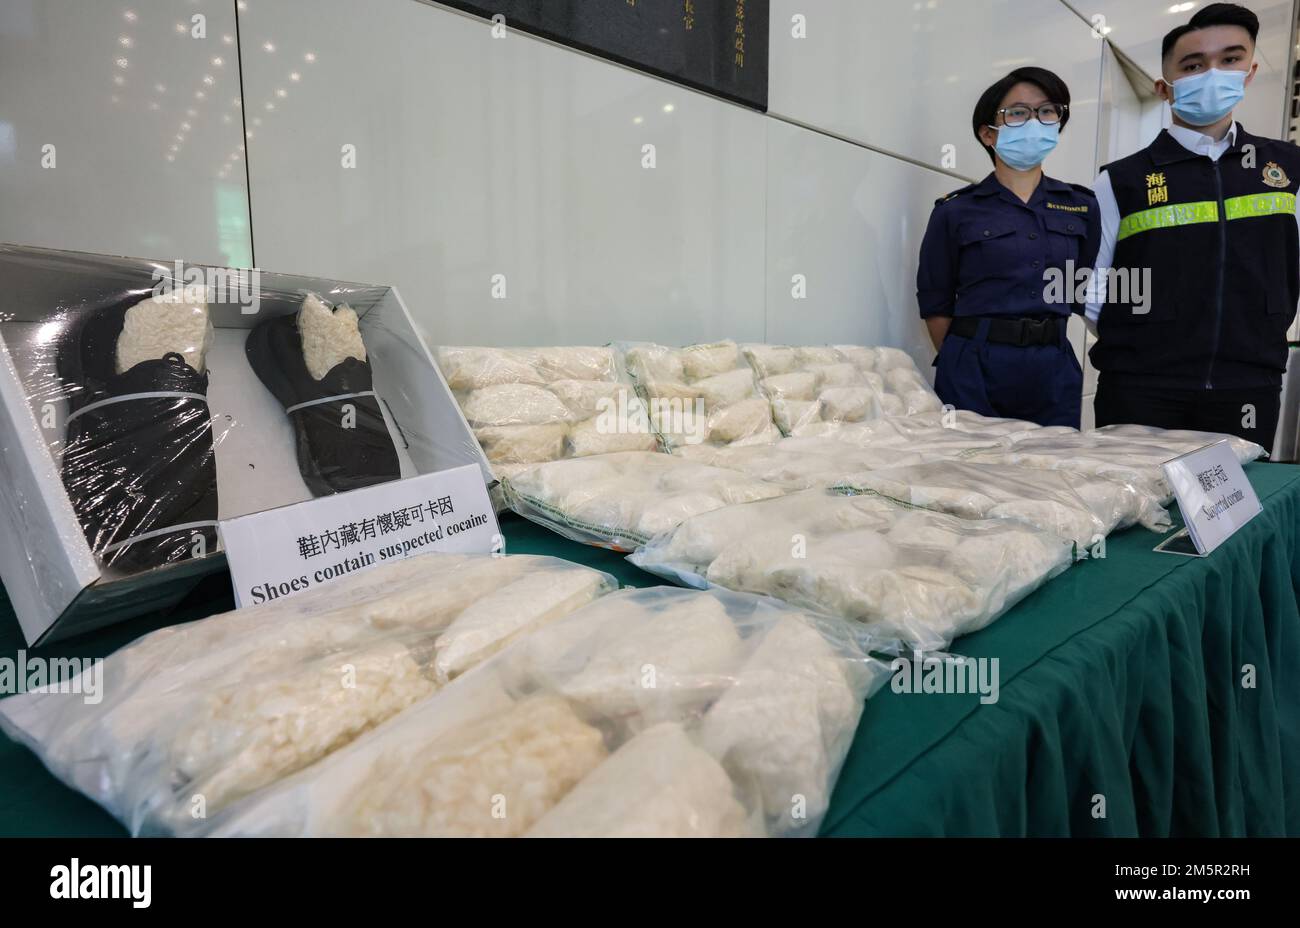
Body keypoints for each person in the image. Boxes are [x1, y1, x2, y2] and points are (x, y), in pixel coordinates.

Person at [1086, 3, 1299, 453]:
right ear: (1166, 87)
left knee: (1234, 516)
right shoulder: (1122, 179)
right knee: (1137, 513)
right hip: (1140, 391)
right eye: (1194, 65)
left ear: (1250, 71)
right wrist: (1143, 342)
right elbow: (1090, 285)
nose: (1213, 73)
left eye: (1230, 59)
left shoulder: (1285, 168)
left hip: (1247, 388)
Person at [917, 67, 1099, 428]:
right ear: (988, 133)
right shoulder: (955, 210)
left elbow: (1082, 290)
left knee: (1052, 475)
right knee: (973, 475)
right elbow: (935, 304)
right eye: (1017, 112)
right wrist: (967, 356)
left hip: (1053, 366)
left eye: (1046, 112)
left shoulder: (1082, 206)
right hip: (974, 366)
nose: (1035, 122)